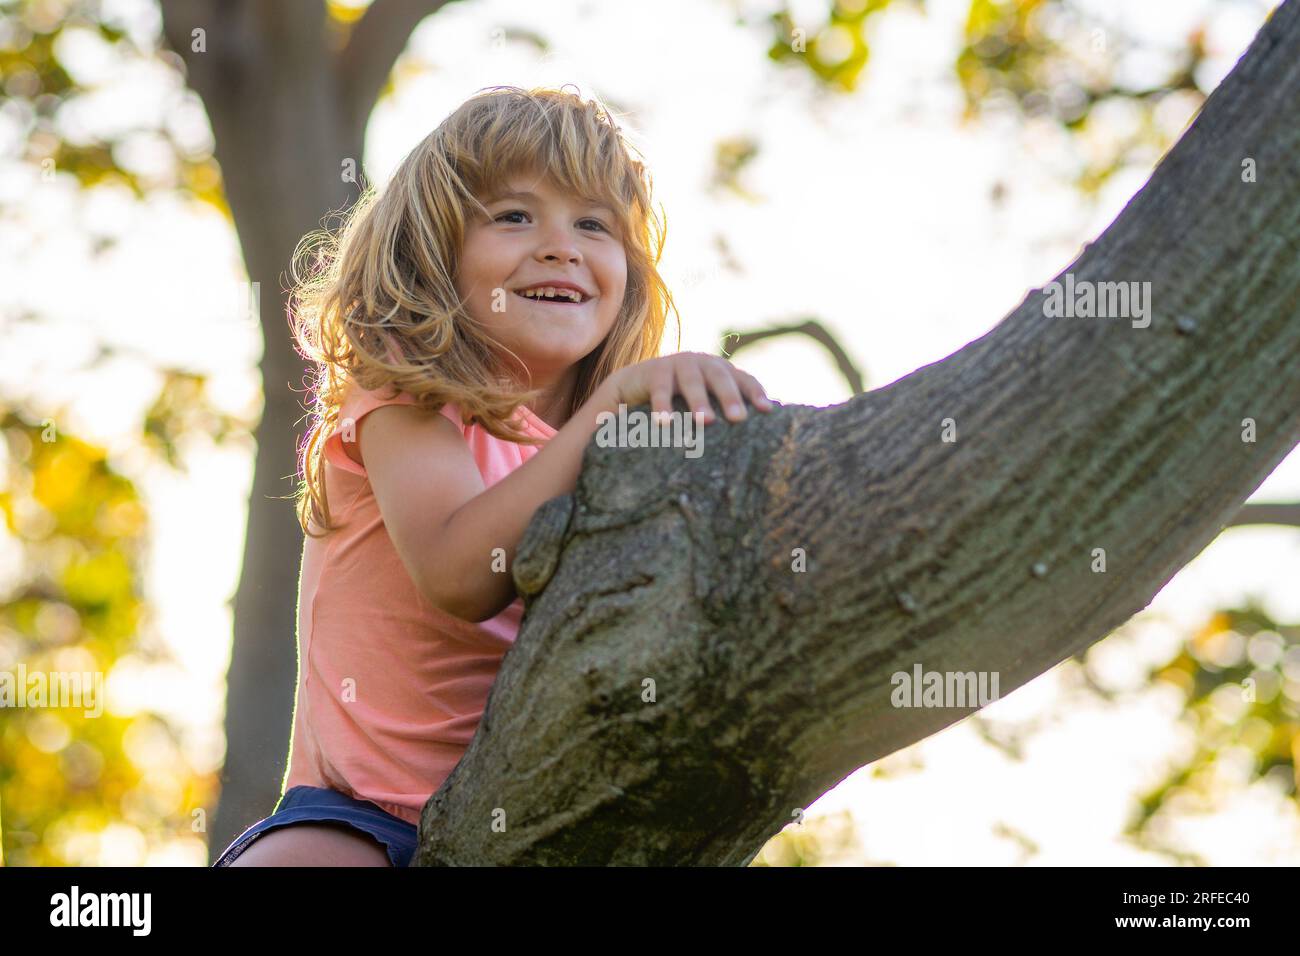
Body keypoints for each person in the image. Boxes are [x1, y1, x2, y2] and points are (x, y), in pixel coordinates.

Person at [213, 85, 773, 866]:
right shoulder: (407, 389)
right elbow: (460, 571)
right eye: (514, 215)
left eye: (594, 225)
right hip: (361, 819)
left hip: (553, 818)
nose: (560, 245)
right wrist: (610, 408)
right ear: (431, 253)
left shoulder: (613, 447)